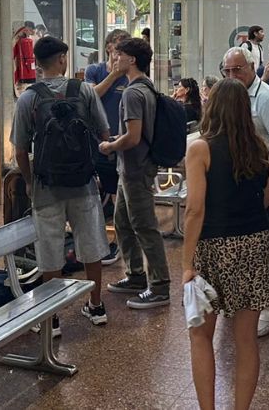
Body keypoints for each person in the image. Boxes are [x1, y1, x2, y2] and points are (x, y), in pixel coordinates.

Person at [182, 79, 269, 410]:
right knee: (246, 340)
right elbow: (265, 196)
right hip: (254, 245)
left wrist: (186, 262)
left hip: (213, 247)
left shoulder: (200, 148)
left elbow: (195, 209)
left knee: (201, 336)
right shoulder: (259, 148)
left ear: (212, 106)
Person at [13, 36, 112, 330]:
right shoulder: (84, 91)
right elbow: (103, 133)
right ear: (62, 59)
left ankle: (52, 318)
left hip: (46, 186)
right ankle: (95, 306)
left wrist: (30, 182)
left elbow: (20, 149)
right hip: (82, 184)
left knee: (49, 248)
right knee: (91, 243)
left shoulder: (28, 98)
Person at [221, 46, 269, 336]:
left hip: (263, 183)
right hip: (240, 185)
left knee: (266, 245)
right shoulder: (232, 98)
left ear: (251, 67)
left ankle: (268, 307)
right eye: (227, 70)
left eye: (237, 69)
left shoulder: (265, 98)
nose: (231, 75)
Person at [100, 37, 171, 308]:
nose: (115, 59)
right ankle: (136, 275)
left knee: (144, 226)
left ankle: (160, 285)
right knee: (123, 222)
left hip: (135, 168)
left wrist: (109, 145)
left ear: (131, 60)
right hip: (131, 167)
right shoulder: (145, 88)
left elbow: (132, 138)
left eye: (119, 55)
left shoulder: (131, 92)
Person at [86, 29, 133, 221]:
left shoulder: (130, 74)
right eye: (117, 50)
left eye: (124, 52)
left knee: (120, 190)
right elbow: (91, 96)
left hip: (123, 138)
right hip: (98, 139)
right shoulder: (94, 70)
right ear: (108, 48)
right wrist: (113, 75)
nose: (119, 55)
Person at [12, 21, 37, 97]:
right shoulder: (18, 42)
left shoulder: (28, 40)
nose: (30, 33)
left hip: (27, 65)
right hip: (24, 65)